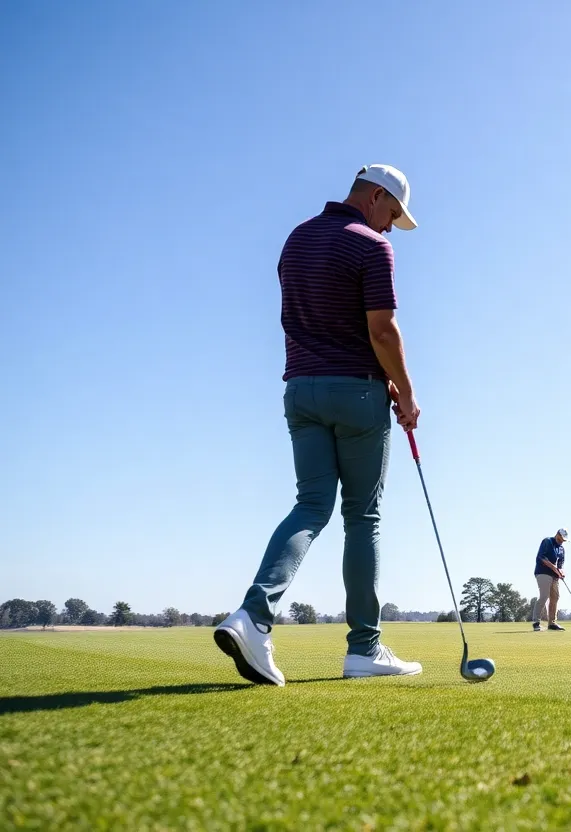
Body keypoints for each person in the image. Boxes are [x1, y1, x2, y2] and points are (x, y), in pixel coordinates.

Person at [214, 164, 423, 686]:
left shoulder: (297, 237)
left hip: (300, 390)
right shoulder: (372, 247)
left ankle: (253, 617)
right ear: (376, 197)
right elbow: (381, 329)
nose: (390, 227)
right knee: (363, 517)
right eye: (392, 214)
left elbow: (323, 319)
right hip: (356, 394)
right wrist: (407, 393)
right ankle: (364, 650)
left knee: (310, 505)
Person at [532, 529, 568, 632]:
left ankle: (552, 623)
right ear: (557, 535)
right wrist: (553, 568)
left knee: (555, 597)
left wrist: (561, 572)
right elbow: (541, 557)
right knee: (544, 596)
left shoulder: (561, 549)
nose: (562, 541)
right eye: (561, 539)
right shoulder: (547, 541)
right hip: (542, 572)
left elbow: (560, 564)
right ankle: (536, 622)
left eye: (564, 540)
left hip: (554, 576)